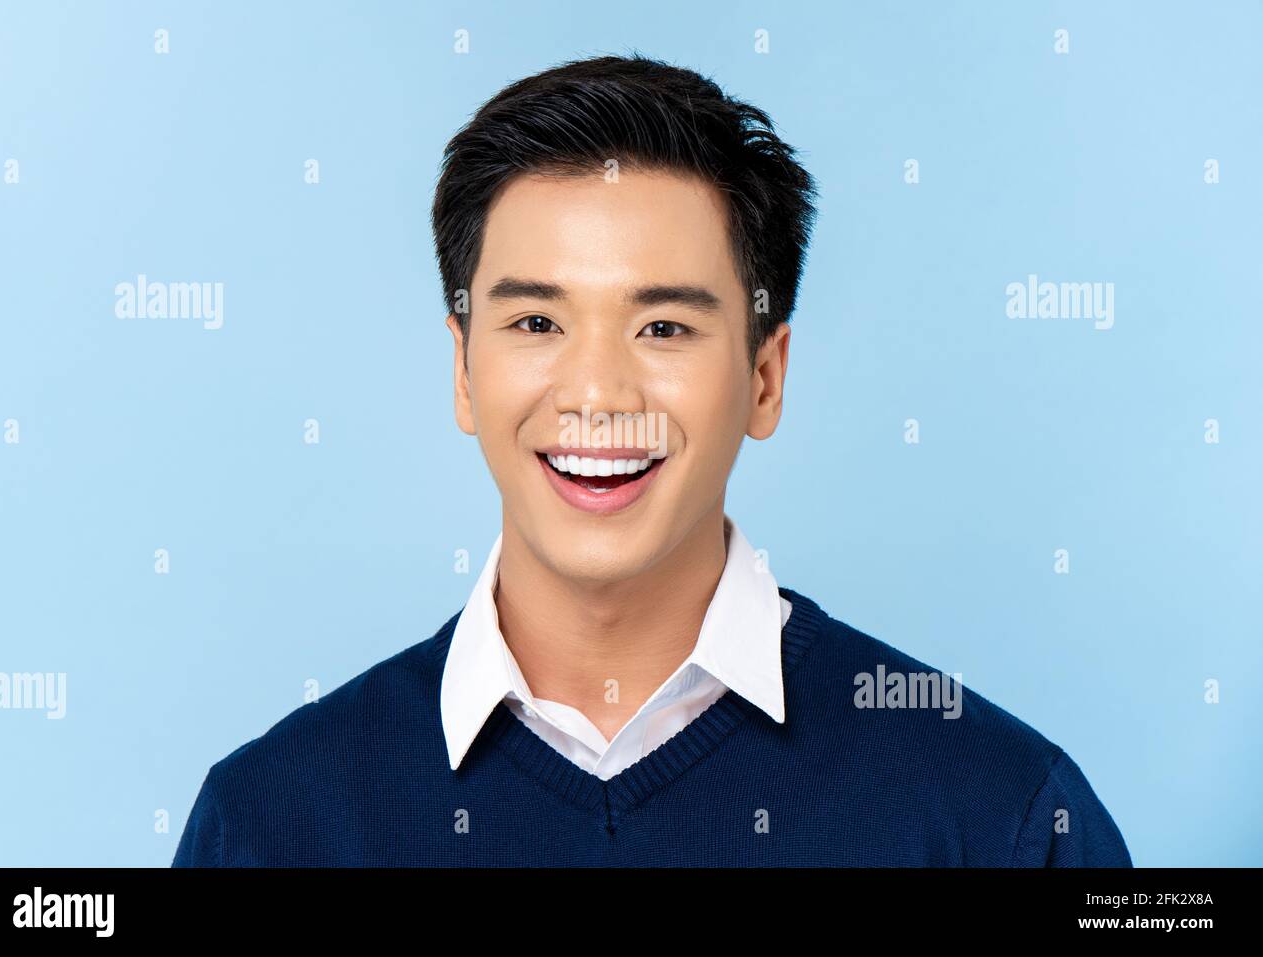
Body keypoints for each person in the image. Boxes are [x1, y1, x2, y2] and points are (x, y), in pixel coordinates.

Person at [173, 53, 1131, 866]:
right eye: (536, 321)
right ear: (464, 372)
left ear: (764, 376)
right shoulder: (271, 825)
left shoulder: (1000, 816)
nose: (598, 395)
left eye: (664, 325)